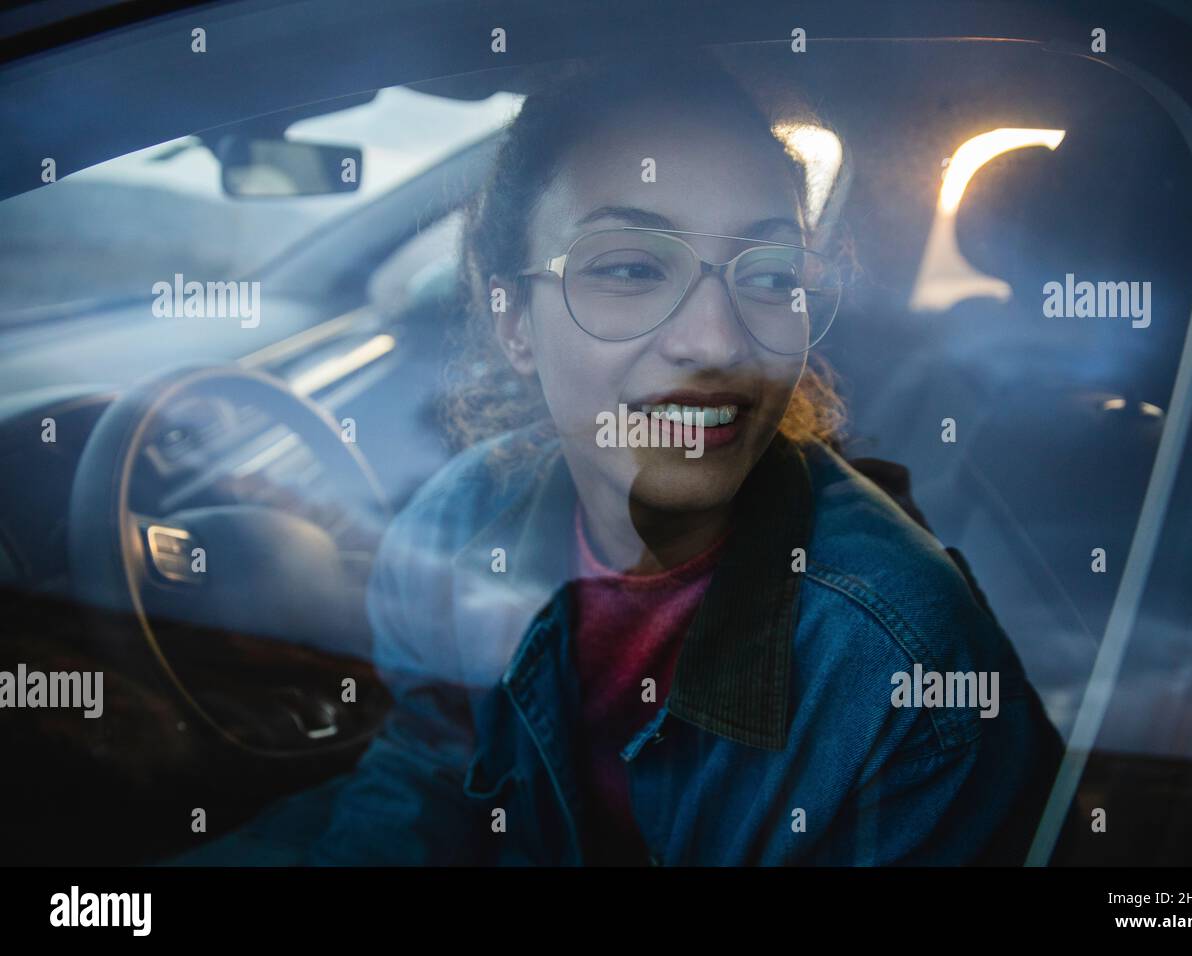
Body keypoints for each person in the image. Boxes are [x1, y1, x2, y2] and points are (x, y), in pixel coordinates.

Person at [274, 51, 1063, 866]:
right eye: (632, 268)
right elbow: (429, 766)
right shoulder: (457, 521)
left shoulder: (900, 671)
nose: (718, 341)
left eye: (769, 275)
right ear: (513, 321)